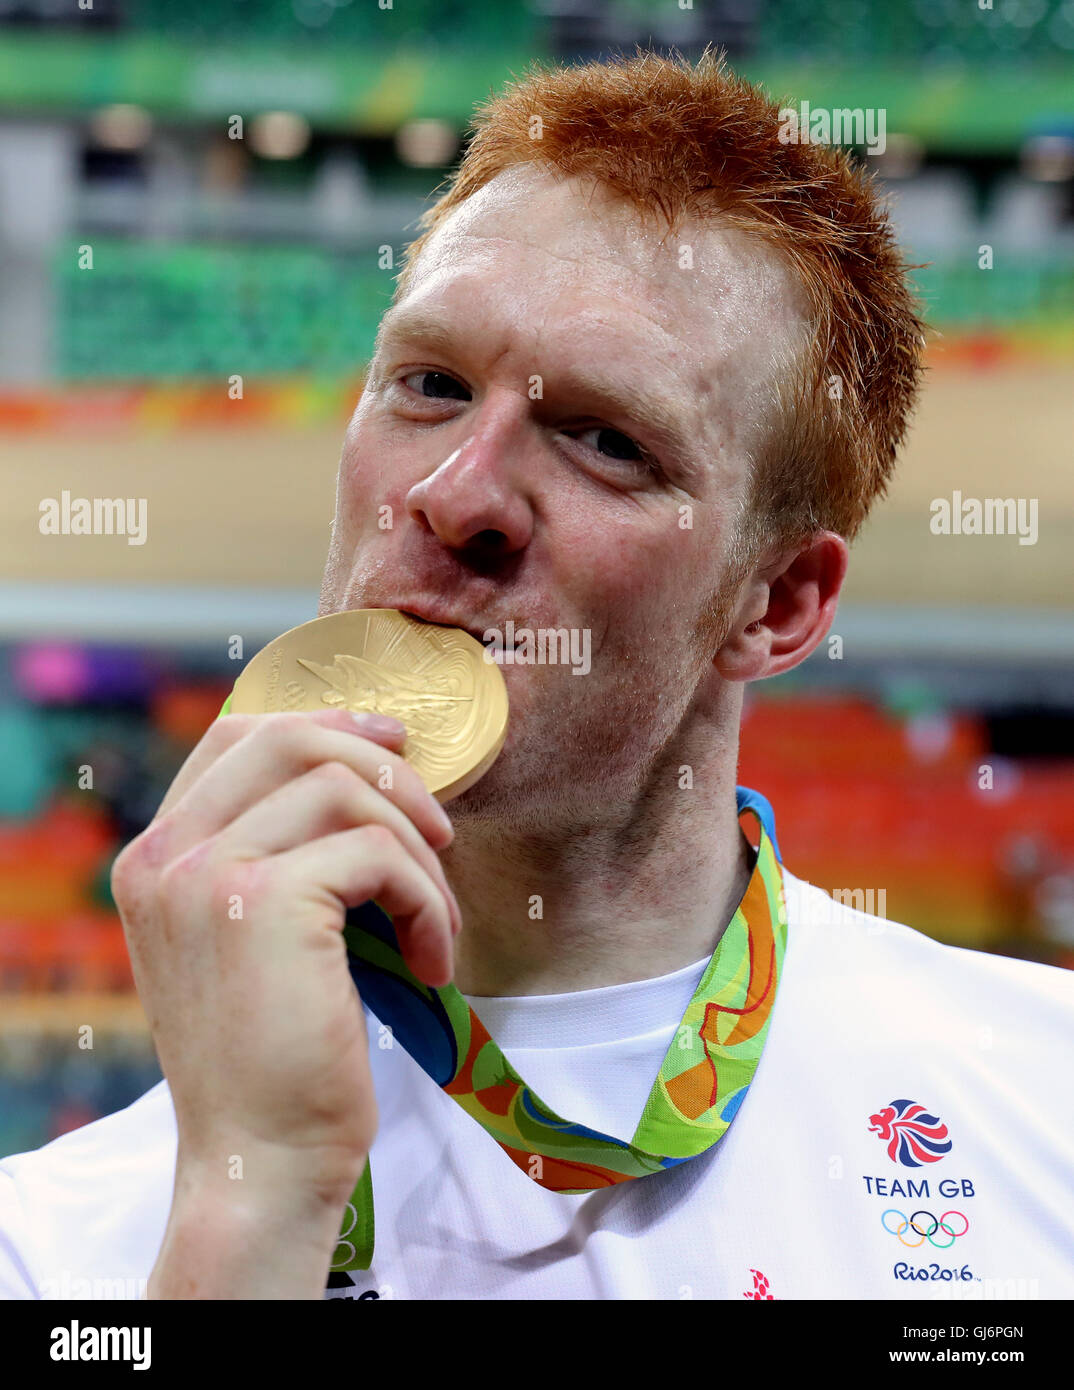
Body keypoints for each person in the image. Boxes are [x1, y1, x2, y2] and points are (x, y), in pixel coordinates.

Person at [2, 49, 1071, 1302]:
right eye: (431, 384)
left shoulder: (1042, 1106)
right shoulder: (55, 1244)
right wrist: (250, 1210)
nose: (453, 495)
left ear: (776, 606)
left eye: (607, 441)